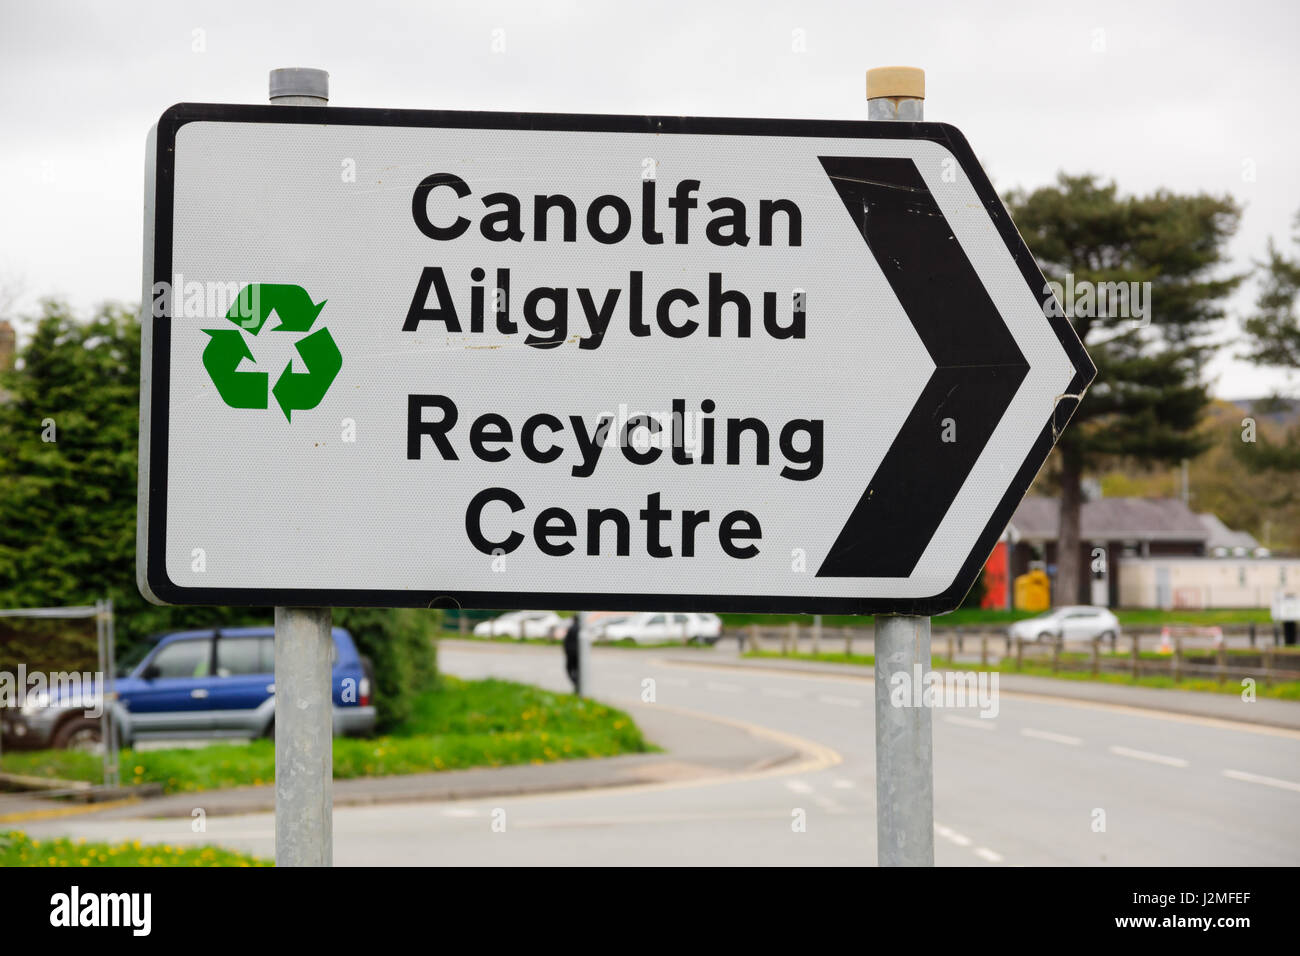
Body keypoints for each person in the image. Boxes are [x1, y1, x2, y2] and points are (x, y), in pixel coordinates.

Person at [563, 613, 581, 692]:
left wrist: (566, 652)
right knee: (578, 670)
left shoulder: (571, 629)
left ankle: (576, 683)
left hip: (571, 653)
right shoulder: (581, 628)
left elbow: (566, 642)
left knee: (569, 669)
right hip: (578, 654)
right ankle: (577, 684)